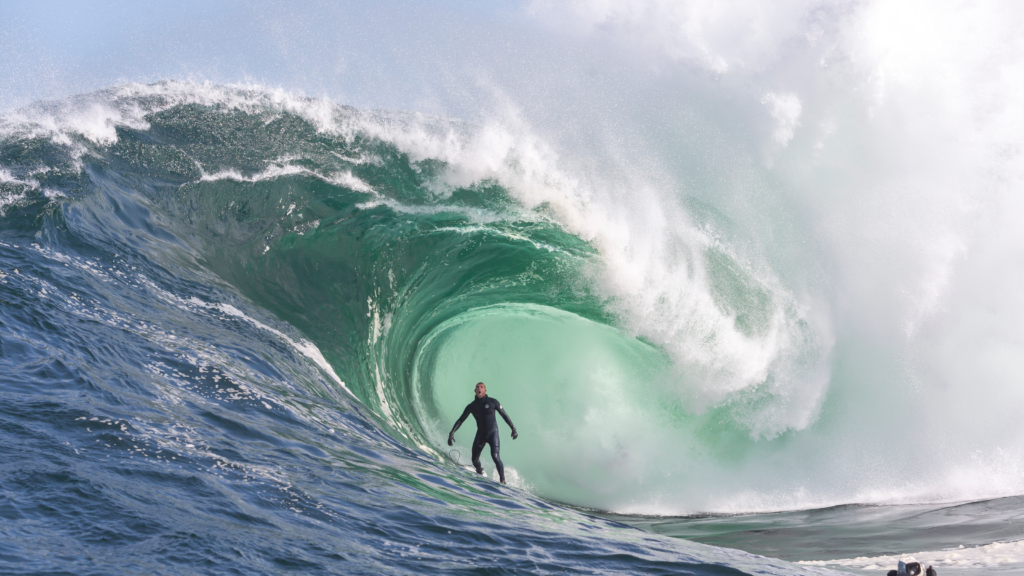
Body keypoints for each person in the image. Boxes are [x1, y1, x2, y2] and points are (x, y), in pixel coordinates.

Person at [447, 382, 518, 484]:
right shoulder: (471, 406)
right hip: (481, 434)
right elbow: (460, 420)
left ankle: (502, 481)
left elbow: (504, 415)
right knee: (474, 460)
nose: (479, 388)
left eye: (481, 387)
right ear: (475, 391)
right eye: (477, 387)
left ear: (485, 390)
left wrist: (513, 428)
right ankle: (480, 472)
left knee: (495, 457)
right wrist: (452, 432)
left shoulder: (493, 402)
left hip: (493, 433)